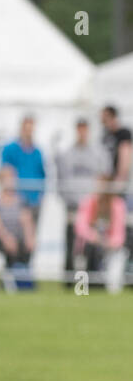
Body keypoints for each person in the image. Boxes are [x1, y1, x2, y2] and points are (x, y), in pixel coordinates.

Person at [55, 117, 107, 276]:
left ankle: (93, 279)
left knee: (91, 245)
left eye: (85, 128)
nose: (82, 132)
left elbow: (104, 178)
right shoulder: (68, 154)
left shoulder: (98, 153)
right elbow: (62, 180)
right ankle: (73, 281)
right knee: (74, 246)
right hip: (74, 207)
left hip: (92, 208)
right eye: (79, 128)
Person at [0, 165, 35, 288]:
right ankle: (9, 280)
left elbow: (27, 221)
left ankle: (23, 280)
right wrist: (6, 238)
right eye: (7, 178)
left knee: (25, 246)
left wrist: (30, 238)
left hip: (19, 237)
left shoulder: (21, 200)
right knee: (9, 247)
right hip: (2, 238)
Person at [72, 176, 126, 274]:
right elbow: (80, 227)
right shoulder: (89, 201)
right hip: (91, 245)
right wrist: (95, 237)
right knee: (89, 249)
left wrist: (108, 242)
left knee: (118, 254)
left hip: (109, 247)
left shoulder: (117, 205)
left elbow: (119, 235)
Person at [0, 115, 46, 226]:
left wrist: (40, 197)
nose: (28, 132)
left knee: (31, 237)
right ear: (21, 129)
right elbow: (4, 173)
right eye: (26, 129)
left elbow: (42, 175)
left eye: (31, 129)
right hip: (15, 203)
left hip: (33, 202)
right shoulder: (9, 149)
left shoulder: (37, 152)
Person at [99, 105, 131, 192]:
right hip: (106, 181)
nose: (102, 121)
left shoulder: (124, 133)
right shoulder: (105, 135)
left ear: (112, 117)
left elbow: (125, 157)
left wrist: (120, 180)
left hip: (117, 182)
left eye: (105, 118)